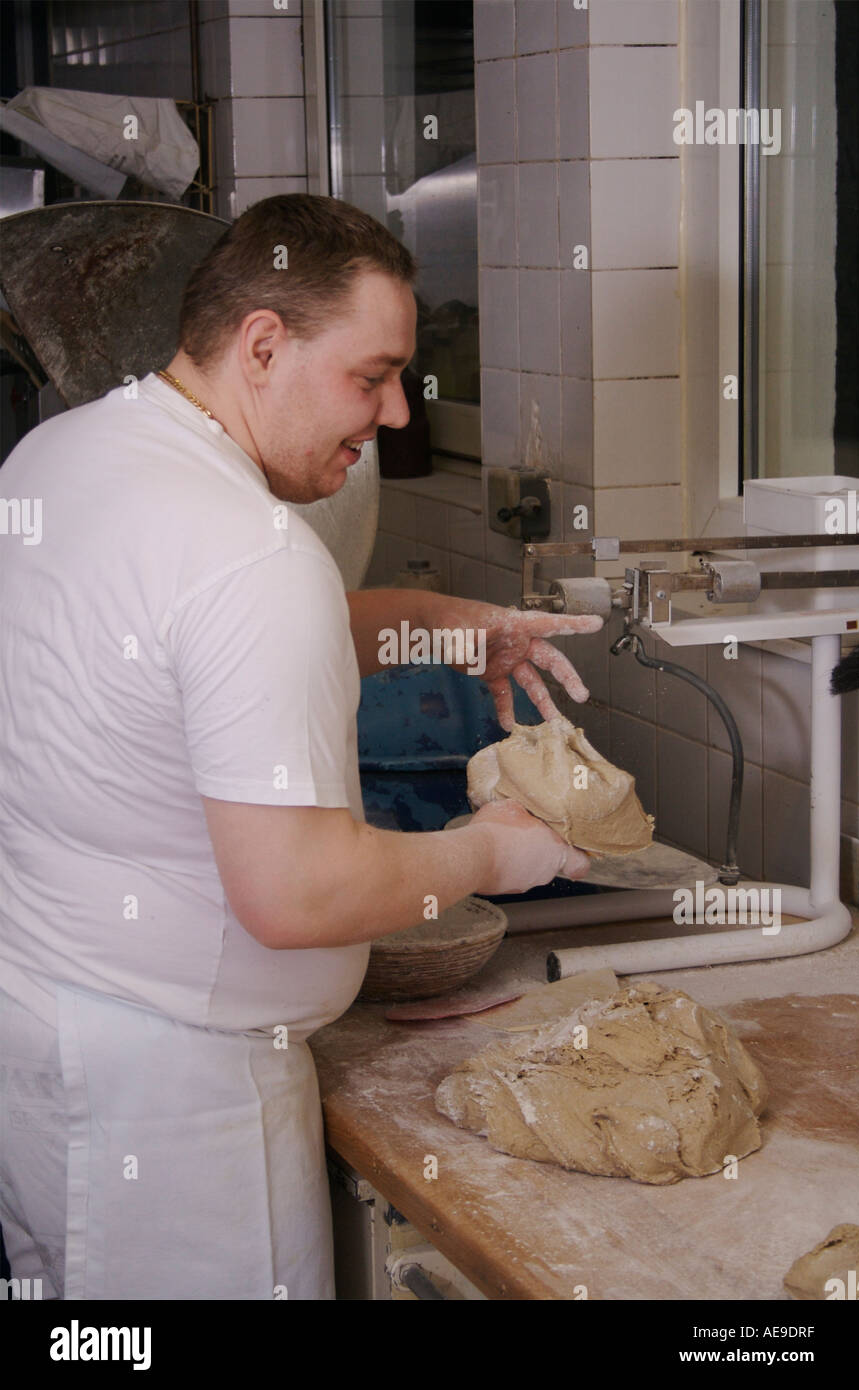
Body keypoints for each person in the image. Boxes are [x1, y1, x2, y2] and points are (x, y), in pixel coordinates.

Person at [0, 195, 601, 1301]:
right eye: (369, 377)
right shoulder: (247, 550)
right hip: (181, 1114)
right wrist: (496, 853)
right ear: (263, 343)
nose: (396, 418)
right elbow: (298, 892)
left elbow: (181, 652)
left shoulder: (64, 456)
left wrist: (438, 622)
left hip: (50, 1036)